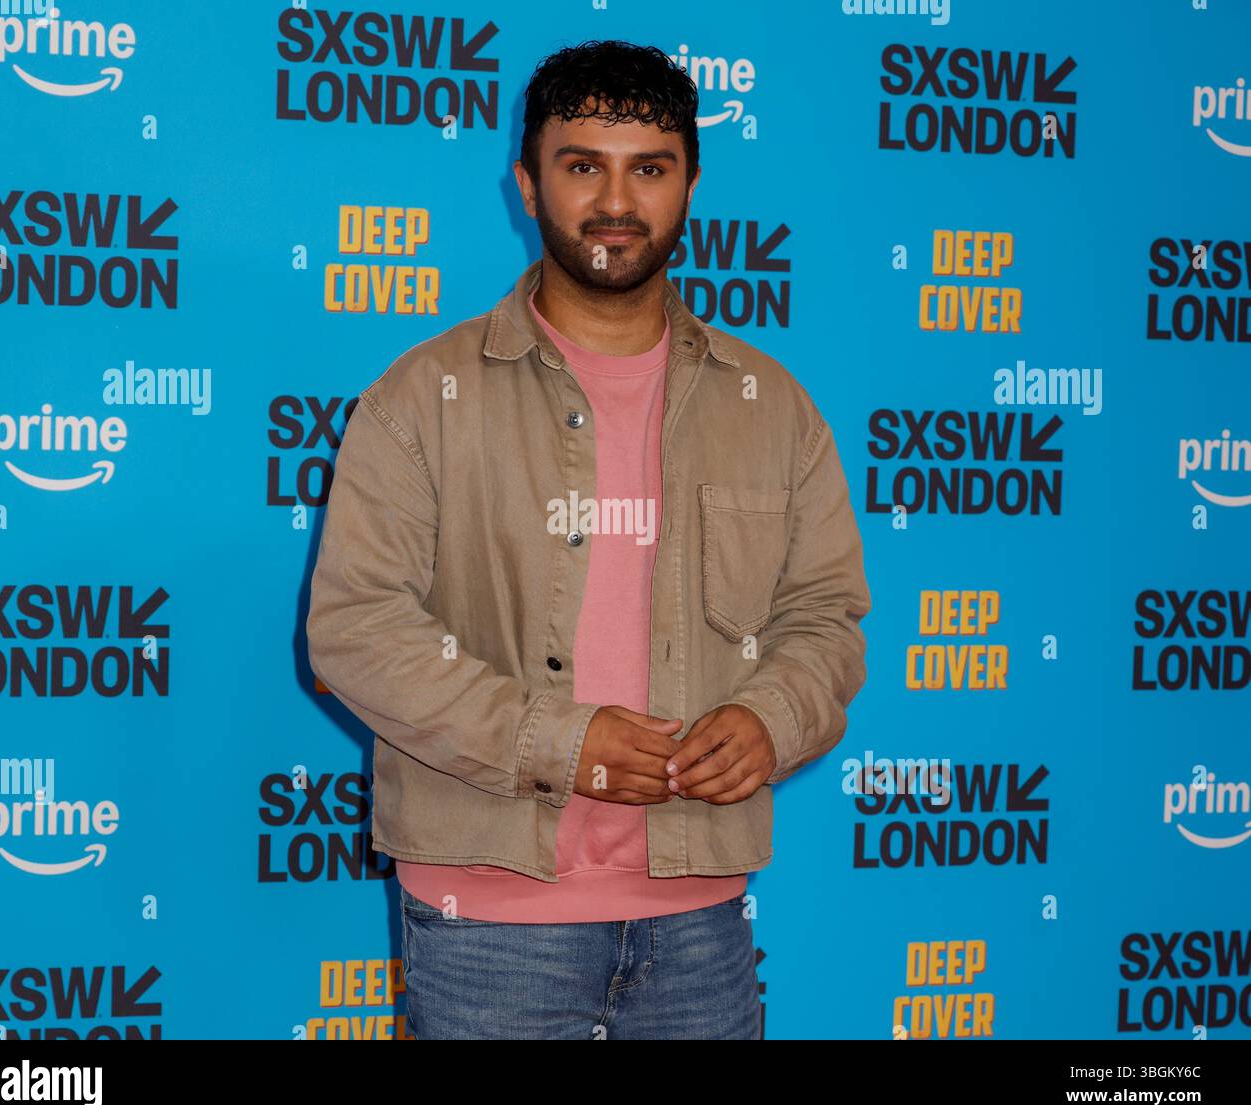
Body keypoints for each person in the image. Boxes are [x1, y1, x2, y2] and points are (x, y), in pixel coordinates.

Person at [305, 39, 872, 1039]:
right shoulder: (418, 400)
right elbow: (356, 629)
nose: (616, 201)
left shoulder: (771, 407)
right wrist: (560, 744)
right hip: (487, 923)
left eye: (648, 167)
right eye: (582, 166)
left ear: (690, 183)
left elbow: (825, 617)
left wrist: (772, 717)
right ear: (527, 185)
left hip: (701, 916)